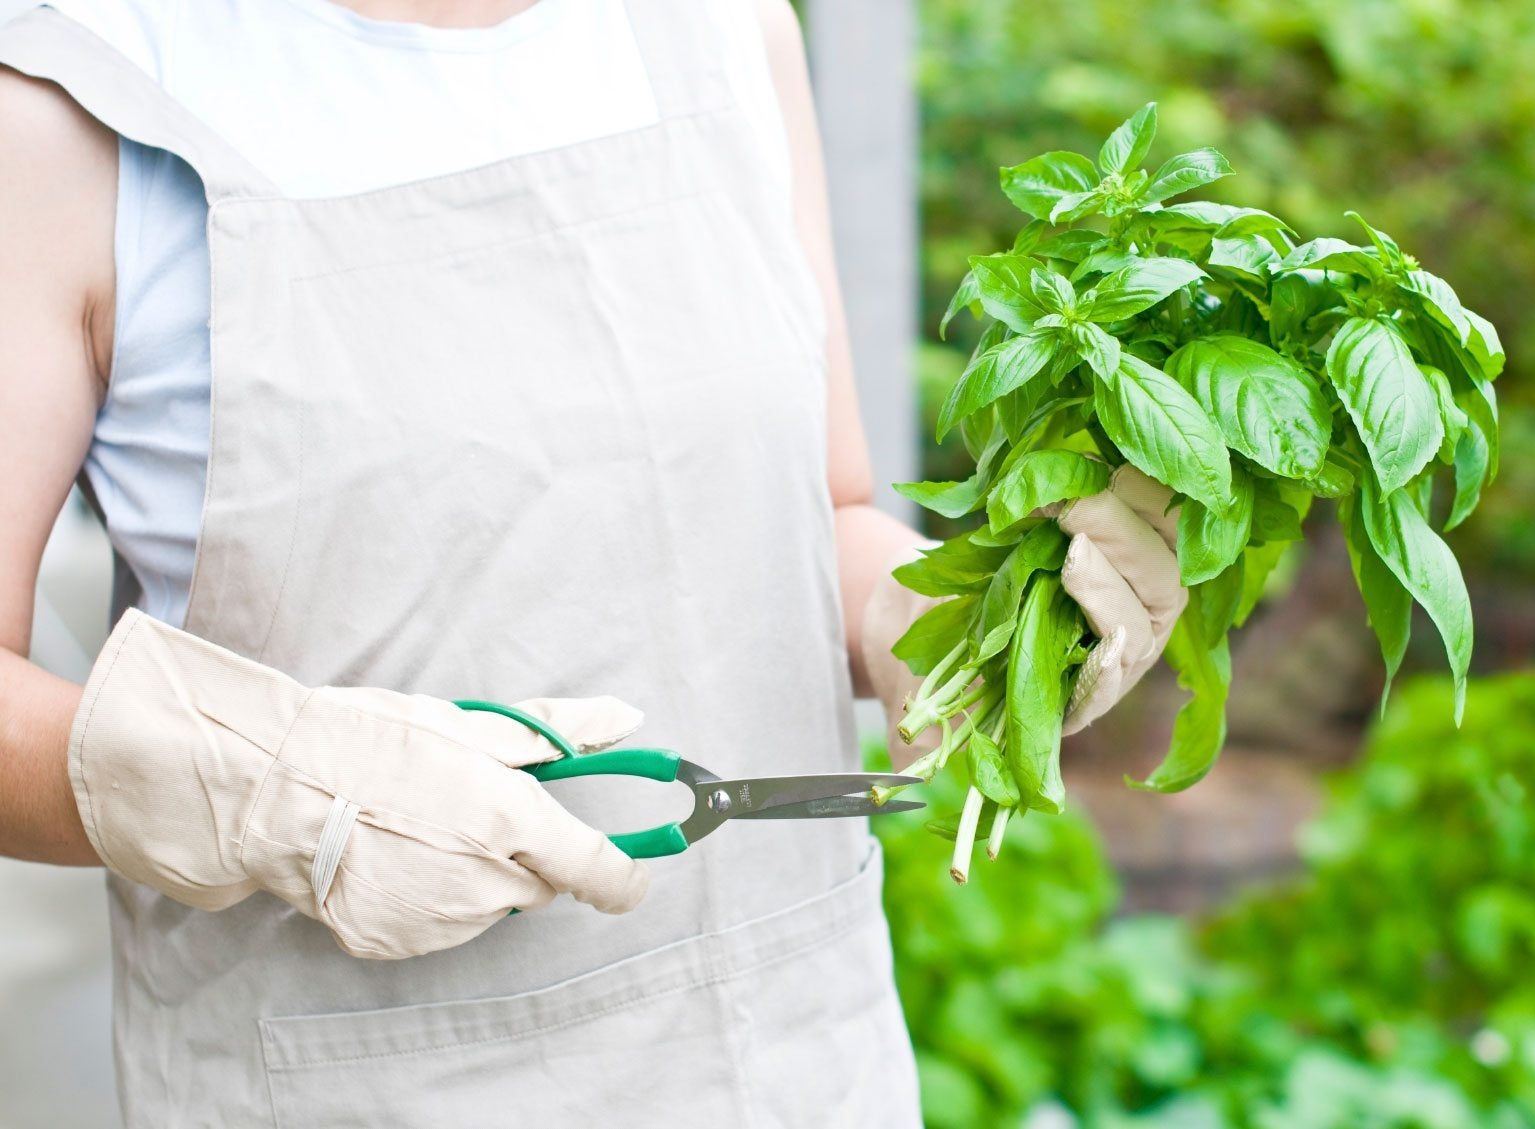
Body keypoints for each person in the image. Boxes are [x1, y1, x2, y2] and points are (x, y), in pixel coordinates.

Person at [0, 0, 1185, 1123]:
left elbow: (816, 510)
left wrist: (941, 617)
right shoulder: (72, 105)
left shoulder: (722, 32)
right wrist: (275, 791)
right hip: (355, 1087)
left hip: (798, 1065)